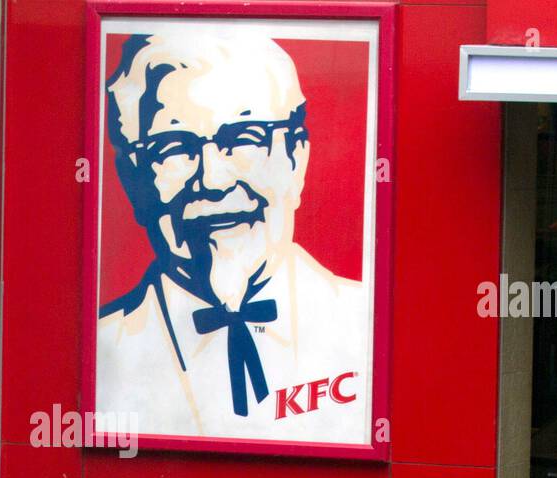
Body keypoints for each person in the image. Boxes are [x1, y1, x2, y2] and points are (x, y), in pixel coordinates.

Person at [96, 30, 371, 444]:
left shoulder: (364, 327)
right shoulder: (103, 349)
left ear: (296, 161)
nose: (213, 180)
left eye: (244, 139)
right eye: (173, 147)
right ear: (134, 179)